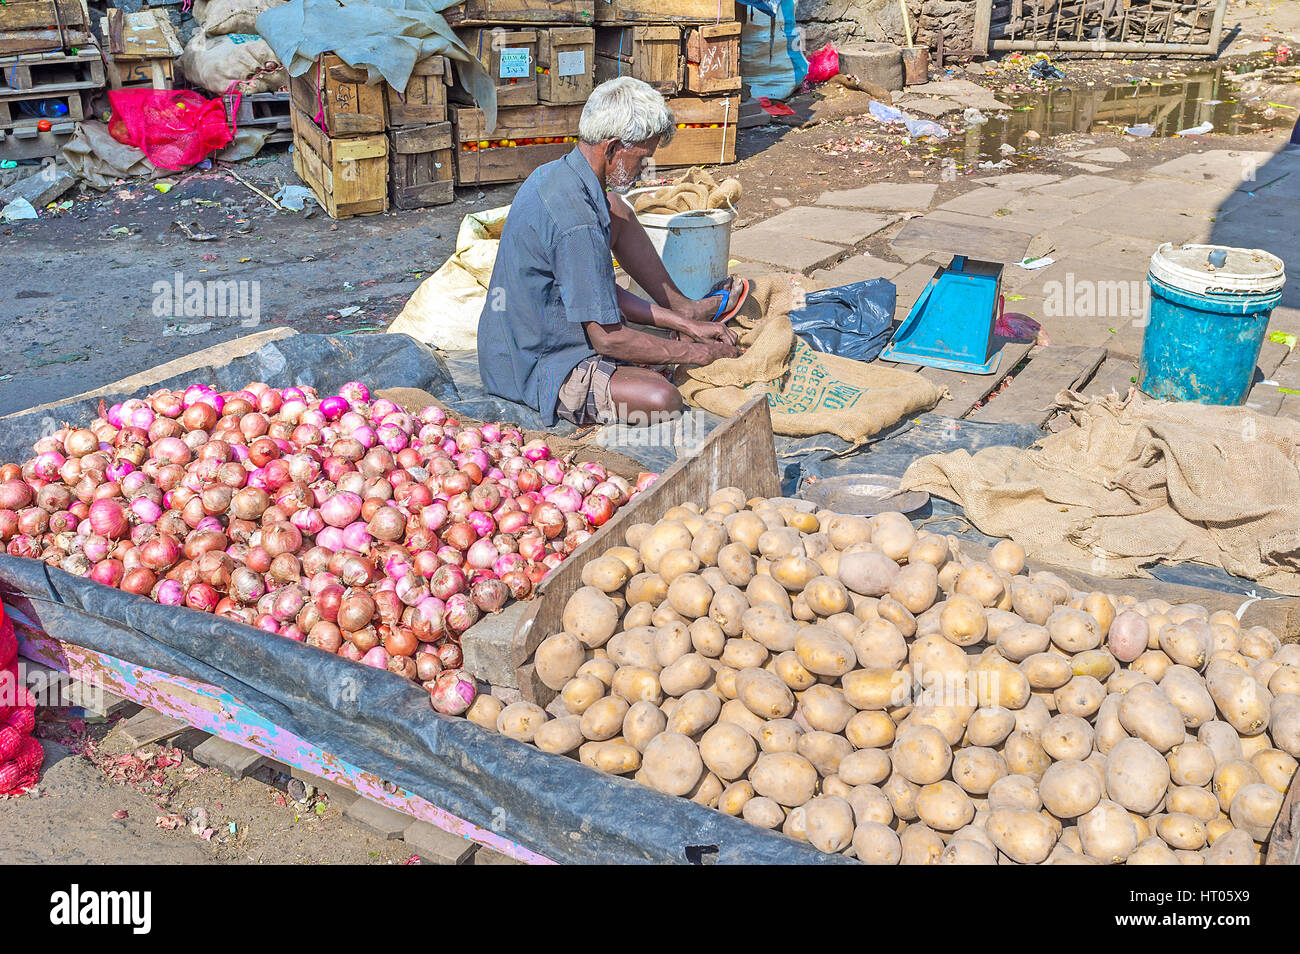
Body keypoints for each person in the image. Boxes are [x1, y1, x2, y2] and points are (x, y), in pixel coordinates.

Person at [476, 76, 741, 428]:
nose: (645, 169)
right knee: (662, 398)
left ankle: (686, 306)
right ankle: (676, 333)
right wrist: (696, 352)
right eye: (643, 158)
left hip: (511, 341)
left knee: (614, 207)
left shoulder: (555, 173)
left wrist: (683, 322)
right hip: (535, 364)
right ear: (614, 147)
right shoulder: (577, 224)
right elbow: (608, 337)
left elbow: (594, 289)